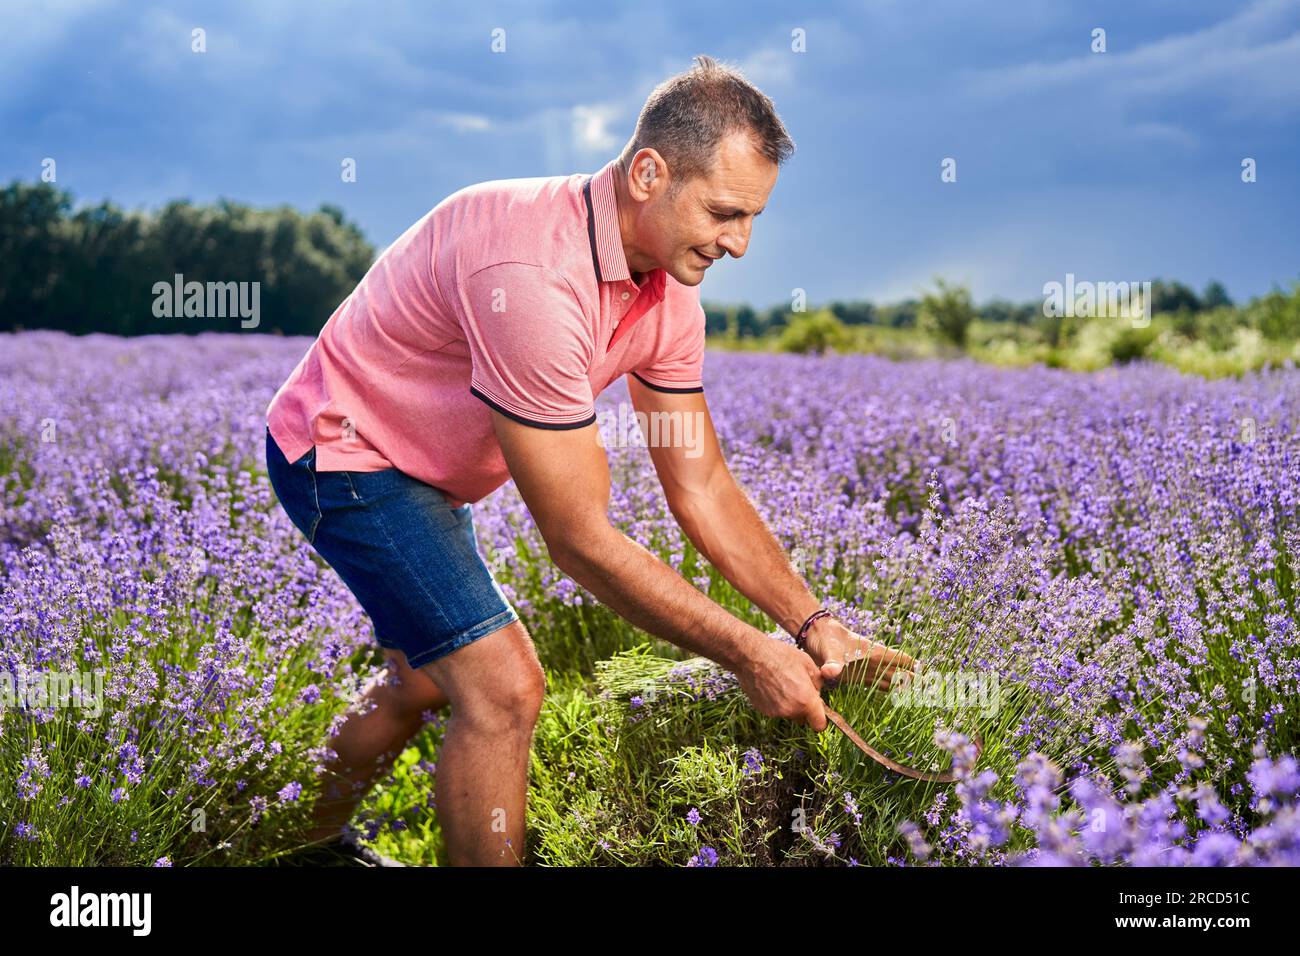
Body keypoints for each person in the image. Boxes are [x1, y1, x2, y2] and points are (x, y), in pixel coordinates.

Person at [264, 54, 913, 867]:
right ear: (649, 172)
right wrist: (752, 653)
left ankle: (292, 844)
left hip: (425, 467)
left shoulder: (669, 295)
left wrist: (816, 627)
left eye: (753, 218)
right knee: (502, 688)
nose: (741, 244)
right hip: (344, 453)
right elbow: (577, 540)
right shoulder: (531, 277)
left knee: (426, 679)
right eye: (724, 212)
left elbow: (701, 484)